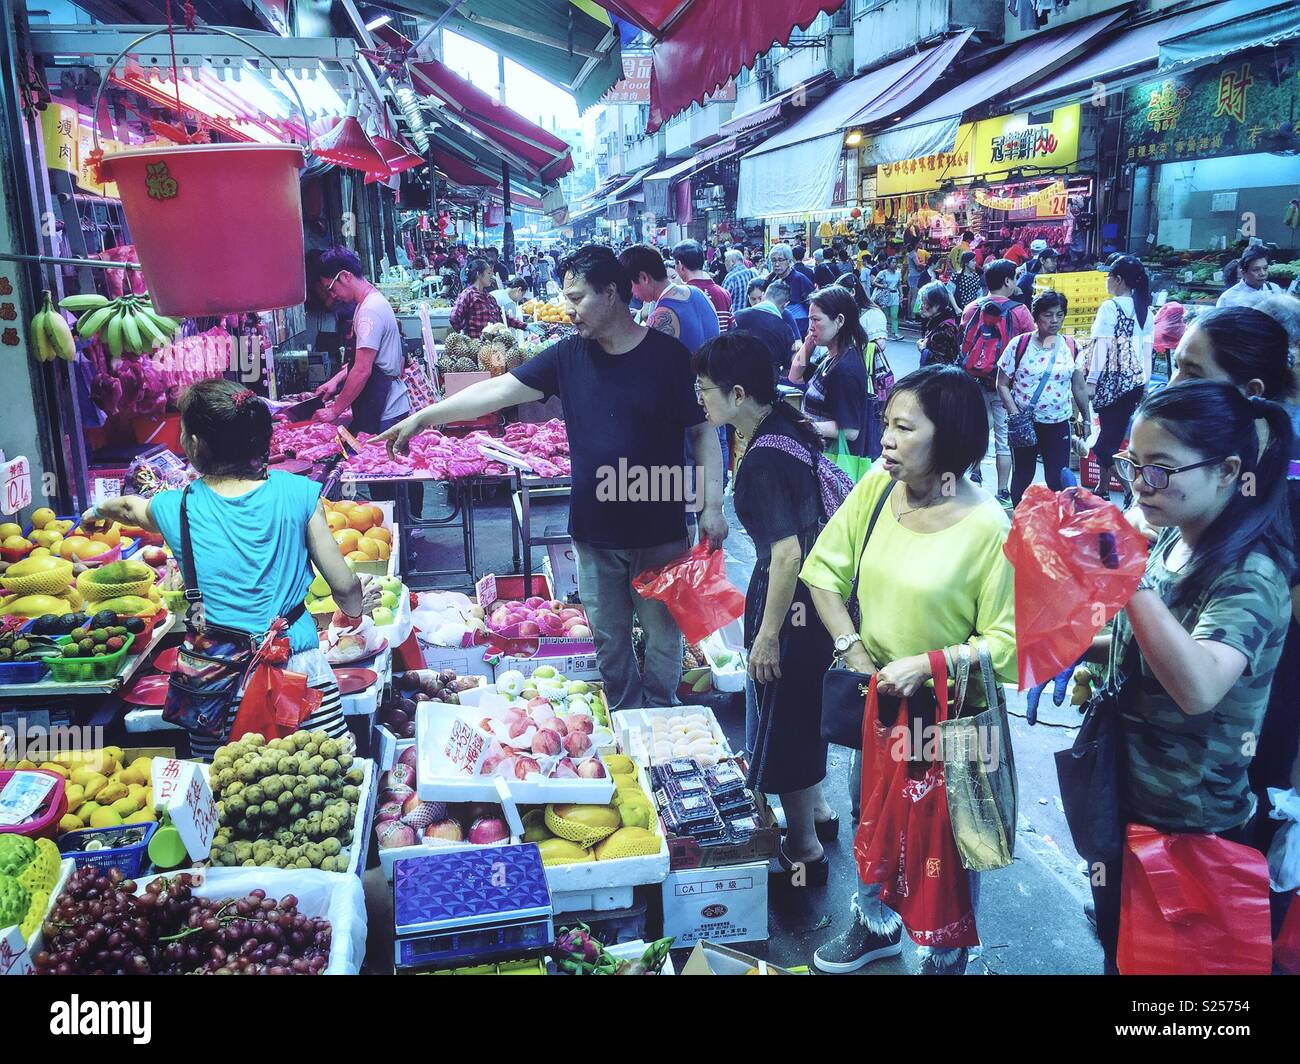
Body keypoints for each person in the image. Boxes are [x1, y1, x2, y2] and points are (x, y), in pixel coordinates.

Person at [378, 245, 726, 710]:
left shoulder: (667, 358)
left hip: (661, 532)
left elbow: (703, 434)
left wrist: (712, 507)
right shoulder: (568, 356)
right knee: (609, 639)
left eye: (577, 298)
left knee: (665, 636)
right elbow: (498, 390)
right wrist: (426, 416)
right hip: (595, 533)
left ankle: (660, 713)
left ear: (610, 293)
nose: (568, 309)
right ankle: (624, 715)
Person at [802, 364, 1016, 975]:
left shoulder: (989, 529)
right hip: (879, 703)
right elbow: (823, 573)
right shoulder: (876, 485)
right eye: (886, 424)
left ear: (948, 439)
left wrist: (929, 665)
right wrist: (852, 650)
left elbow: (1007, 644)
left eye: (904, 427)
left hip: (955, 720)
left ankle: (947, 955)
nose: (886, 440)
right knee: (872, 818)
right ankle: (874, 925)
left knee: (951, 842)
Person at [1094, 380, 1294, 973]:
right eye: (1133, 464)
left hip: (1191, 825)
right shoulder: (1175, 542)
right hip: (1130, 800)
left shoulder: (1251, 575)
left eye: (1162, 469)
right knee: (1124, 957)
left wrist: (1127, 577)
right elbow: (1154, 641)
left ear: (1230, 471)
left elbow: (1199, 685)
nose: (1140, 484)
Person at [87, 380, 363, 760]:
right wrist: (351, 615)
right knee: (325, 794)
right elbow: (345, 585)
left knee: (229, 798)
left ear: (196, 445)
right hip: (300, 680)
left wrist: (95, 512)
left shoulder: (177, 507)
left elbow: (130, 508)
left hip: (214, 689)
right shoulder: (298, 492)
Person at [694, 333, 837, 883]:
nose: (699, 399)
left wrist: (769, 633)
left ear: (736, 393)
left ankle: (803, 852)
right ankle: (819, 815)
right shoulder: (783, 426)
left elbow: (786, 555)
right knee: (804, 707)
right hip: (819, 600)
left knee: (784, 718)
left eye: (704, 389)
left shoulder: (764, 460)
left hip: (792, 603)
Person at [996, 290, 1090, 505]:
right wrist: (1015, 414)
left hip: (1058, 423)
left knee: (1057, 479)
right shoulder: (1019, 345)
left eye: (1059, 314)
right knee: (1022, 476)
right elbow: (1001, 384)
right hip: (1025, 424)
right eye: (1048, 315)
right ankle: (1019, 523)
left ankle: (1057, 526)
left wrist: (1086, 418)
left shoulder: (1071, 346)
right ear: (1036, 316)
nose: (1054, 320)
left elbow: (1079, 386)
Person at [309, 246, 411, 435]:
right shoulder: (369, 302)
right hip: (386, 405)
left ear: (346, 276)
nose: (332, 295)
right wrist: (336, 380)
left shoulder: (369, 311)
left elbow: (363, 369)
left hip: (385, 411)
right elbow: (364, 360)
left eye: (331, 288)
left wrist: (335, 410)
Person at [959, 258, 1036, 503]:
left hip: (973, 379)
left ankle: (975, 473)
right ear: (1007, 281)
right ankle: (1002, 490)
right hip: (1005, 384)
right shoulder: (1019, 310)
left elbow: (964, 341)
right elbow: (1029, 344)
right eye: (1014, 278)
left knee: (978, 427)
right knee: (1003, 437)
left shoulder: (972, 307)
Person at [1087, 254, 1153, 506]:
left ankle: (1130, 492)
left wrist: (1092, 379)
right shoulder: (1145, 309)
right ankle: (1102, 487)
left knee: (1104, 446)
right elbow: (1147, 350)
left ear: (1118, 280)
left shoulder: (1111, 307)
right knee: (1111, 435)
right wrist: (1145, 382)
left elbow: (1101, 346)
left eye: (1109, 277)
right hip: (1134, 383)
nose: (1107, 281)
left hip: (1111, 381)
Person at [789, 286, 873, 459]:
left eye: (816, 320)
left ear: (839, 320)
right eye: (810, 320)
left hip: (831, 463)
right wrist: (808, 346)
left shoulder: (845, 369)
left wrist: (803, 425)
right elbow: (795, 376)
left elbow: (850, 431)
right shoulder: (831, 358)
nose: (811, 327)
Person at [733, 282, 800, 377]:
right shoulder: (785, 329)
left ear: (764, 296)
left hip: (735, 379)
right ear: (785, 305)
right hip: (767, 384)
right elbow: (789, 368)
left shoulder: (737, 316)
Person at [450, 257, 527, 340]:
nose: (491, 276)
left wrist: (525, 326)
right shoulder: (468, 294)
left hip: (491, 347)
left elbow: (503, 317)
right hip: (475, 347)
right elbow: (454, 317)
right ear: (478, 274)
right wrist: (466, 331)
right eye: (489, 273)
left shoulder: (489, 297)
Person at [674, 239, 734, 332]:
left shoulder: (680, 296)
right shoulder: (724, 294)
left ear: (680, 265)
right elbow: (731, 329)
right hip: (721, 345)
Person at [763, 243, 814, 336]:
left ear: (789, 261)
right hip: (776, 328)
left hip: (799, 328)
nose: (777, 264)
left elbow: (813, 303)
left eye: (780, 260)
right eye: (773, 260)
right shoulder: (770, 279)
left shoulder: (800, 279)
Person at [1218, 246, 1284, 309]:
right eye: (1256, 270)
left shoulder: (1275, 290)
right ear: (1243, 272)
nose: (1263, 273)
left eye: (1265, 268)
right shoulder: (1228, 298)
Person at [915, 281, 962, 367]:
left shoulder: (945, 329)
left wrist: (923, 349)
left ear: (937, 304)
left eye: (925, 303)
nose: (921, 307)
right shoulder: (936, 323)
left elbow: (941, 365)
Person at [838, 272, 887, 352]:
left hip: (863, 363)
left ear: (852, 292)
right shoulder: (842, 312)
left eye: (840, 294)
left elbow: (880, 345)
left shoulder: (873, 314)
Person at [872, 257, 903, 340]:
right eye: (893, 262)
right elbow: (874, 282)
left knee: (894, 315)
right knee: (885, 315)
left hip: (895, 294)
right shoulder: (883, 273)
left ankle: (895, 333)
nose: (895, 264)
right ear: (888, 264)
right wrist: (882, 286)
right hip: (886, 295)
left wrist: (901, 294)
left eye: (896, 262)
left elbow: (899, 284)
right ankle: (883, 331)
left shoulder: (898, 273)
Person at [905, 241, 928, 322]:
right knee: (915, 297)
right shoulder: (914, 254)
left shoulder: (911, 253)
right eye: (919, 242)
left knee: (911, 296)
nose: (921, 243)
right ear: (916, 244)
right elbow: (918, 265)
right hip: (915, 276)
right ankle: (913, 317)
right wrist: (926, 265)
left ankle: (910, 316)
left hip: (912, 276)